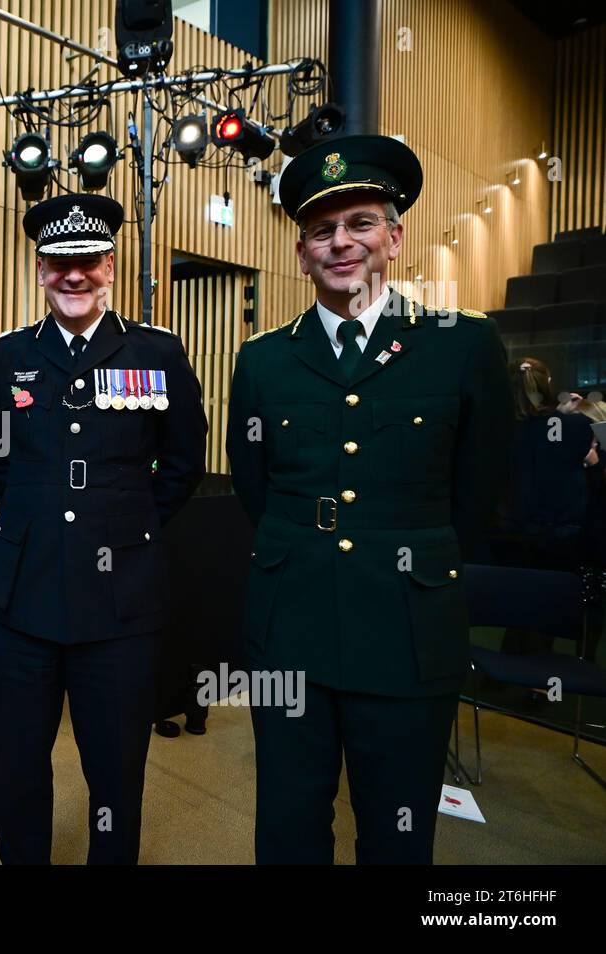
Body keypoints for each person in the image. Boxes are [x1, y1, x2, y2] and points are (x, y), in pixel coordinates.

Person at [226, 135, 514, 864]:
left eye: (360, 223)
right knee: (288, 828)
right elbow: (256, 486)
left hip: (408, 627)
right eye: (323, 230)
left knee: (397, 831)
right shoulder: (262, 360)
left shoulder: (461, 345)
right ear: (301, 252)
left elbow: (480, 492)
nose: (342, 242)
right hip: (289, 624)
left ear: (395, 235)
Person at [0, 193, 208, 864]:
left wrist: (130, 527)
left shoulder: (156, 352)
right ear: (40, 269)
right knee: (17, 763)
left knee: (115, 765)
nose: (73, 276)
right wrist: (37, 515)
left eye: (88, 263)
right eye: (57, 263)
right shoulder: (6, 355)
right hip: (23, 590)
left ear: (110, 266)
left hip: (121, 597)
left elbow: (184, 460)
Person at [500, 357, 597, 570]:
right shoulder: (579, 425)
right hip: (563, 529)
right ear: (548, 382)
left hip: (508, 530)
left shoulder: (494, 429)